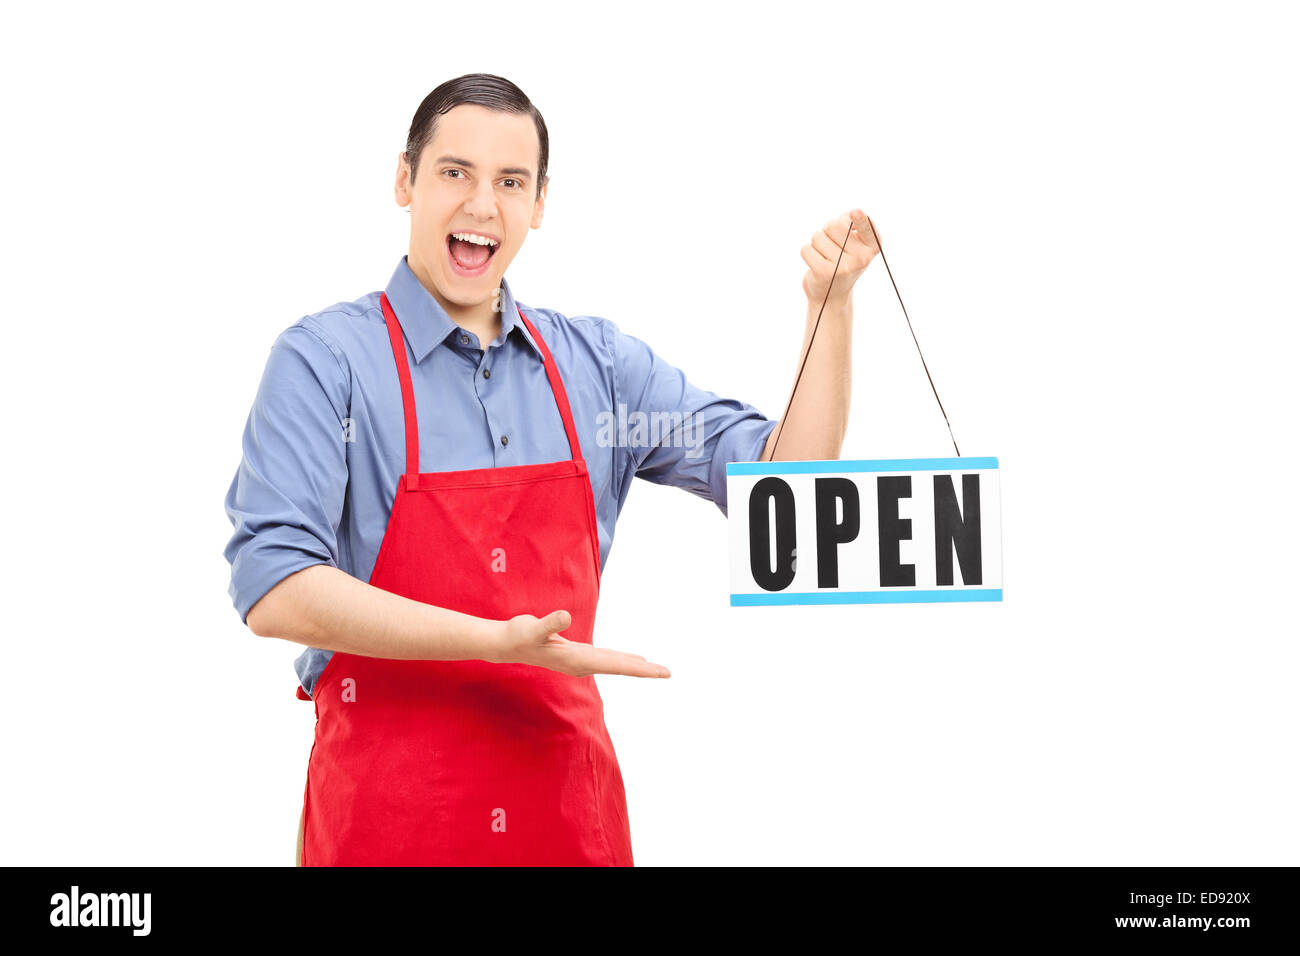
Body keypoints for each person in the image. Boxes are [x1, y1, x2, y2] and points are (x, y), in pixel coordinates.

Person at [223, 73, 879, 867]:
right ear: (405, 180)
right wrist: (492, 641)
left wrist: (828, 307)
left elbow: (789, 485)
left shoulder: (596, 368)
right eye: (454, 172)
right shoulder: (326, 362)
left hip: (568, 822)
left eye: (510, 182)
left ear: (539, 205)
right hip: (387, 823)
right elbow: (273, 585)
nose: (481, 205)